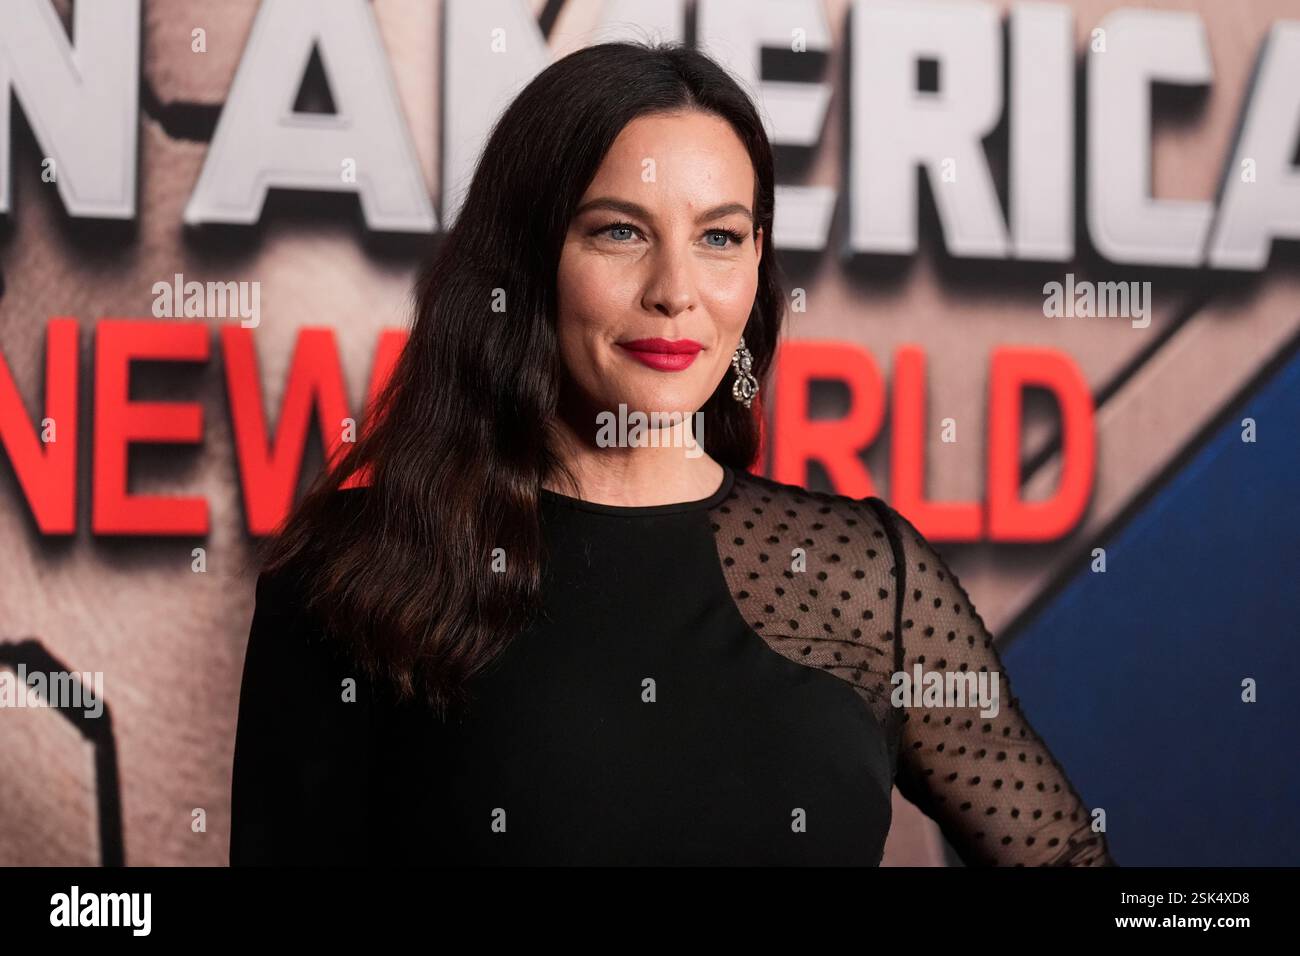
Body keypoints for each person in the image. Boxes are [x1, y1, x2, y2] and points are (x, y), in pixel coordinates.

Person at [229, 40, 1114, 867]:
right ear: (529, 259)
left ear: (757, 262)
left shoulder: (862, 578)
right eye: (620, 231)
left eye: (719, 238)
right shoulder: (358, 573)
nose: (675, 293)